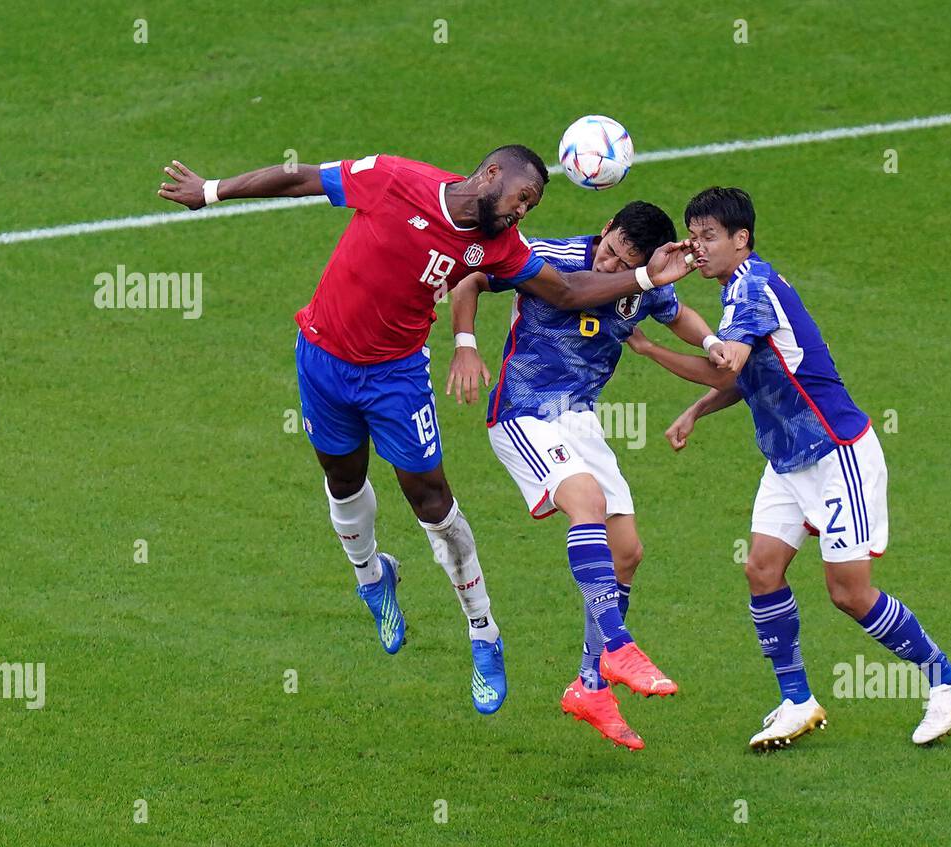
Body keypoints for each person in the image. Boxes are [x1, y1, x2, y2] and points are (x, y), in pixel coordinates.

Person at [156, 148, 696, 715]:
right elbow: (302, 179)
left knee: (432, 501)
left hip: (397, 377)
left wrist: (645, 277)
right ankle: (373, 578)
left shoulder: (502, 246)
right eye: (522, 198)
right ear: (491, 175)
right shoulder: (394, 179)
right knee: (343, 480)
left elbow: (564, 291)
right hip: (321, 358)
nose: (522, 212)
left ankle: (483, 632)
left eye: (531, 206)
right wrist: (211, 190)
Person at [627, 187, 951, 749]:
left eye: (709, 236)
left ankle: (947, 680)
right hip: (788, 460)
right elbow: (751, 374)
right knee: (762, 570)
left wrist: (649, 350)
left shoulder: (752, 288)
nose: (698, 248)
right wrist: (697, 411)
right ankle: (797, 700)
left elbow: (724, 368)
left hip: (837, 454)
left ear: (742, 239)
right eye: (693, 237)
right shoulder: (741, 290)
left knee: (849, 593)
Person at [449, 201, 717, 749]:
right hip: (523, 413)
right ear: (605, 228)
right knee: (586, 501)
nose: (609, 262)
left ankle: (590, 687)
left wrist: (713, 343)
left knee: (628, 552)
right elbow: (471, 278)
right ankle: (618, 644)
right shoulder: (550, 257)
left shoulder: (646, 284)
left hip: (580, 421)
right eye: (610, 248)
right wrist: (466, 346)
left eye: (623, 261)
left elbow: (676, 313)